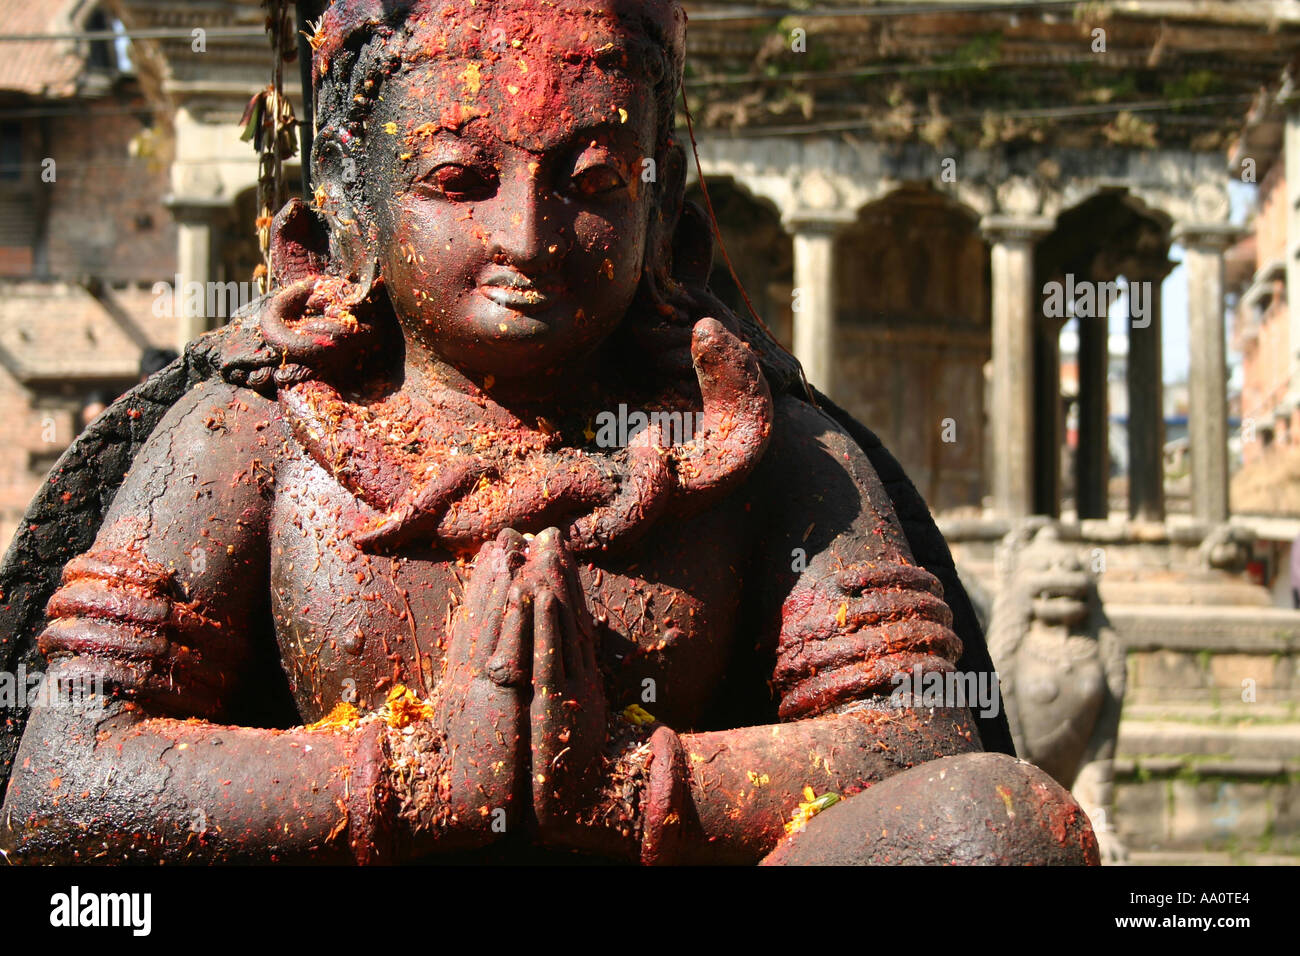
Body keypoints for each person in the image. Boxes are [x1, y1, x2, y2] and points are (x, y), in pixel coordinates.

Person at [0, 0, 1095, 864]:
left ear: (667, 219)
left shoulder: (762, 448)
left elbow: (921, 736)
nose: (525, 236)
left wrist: (627, 788)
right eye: (457, 180)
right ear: (352, 212)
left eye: (593, 183)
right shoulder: (252, 432)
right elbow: (61, 781)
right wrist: (407, 783)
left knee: (1000, 825)